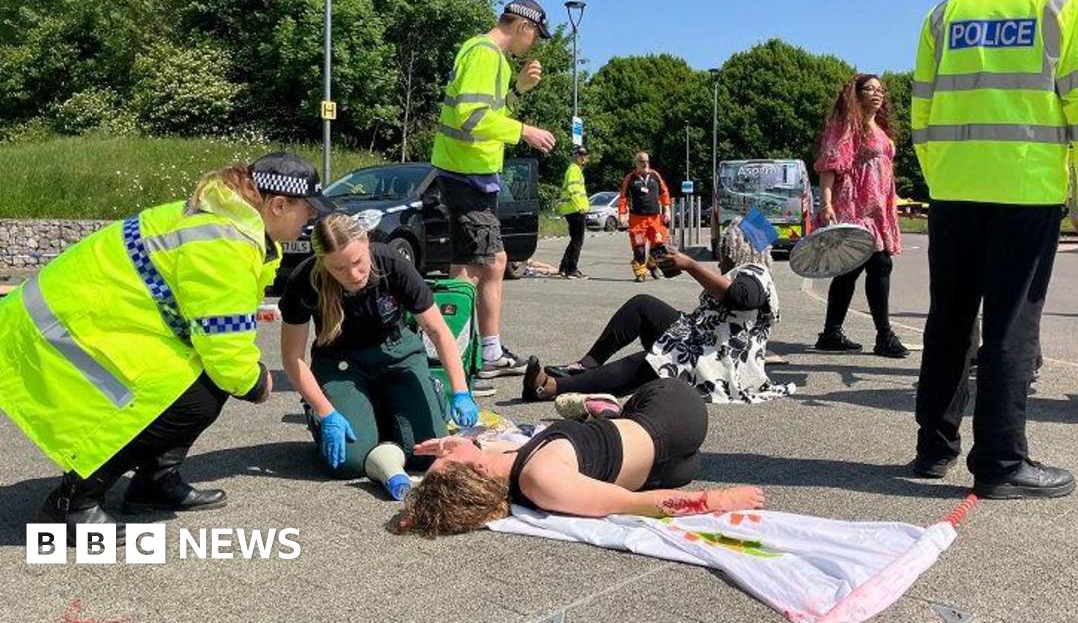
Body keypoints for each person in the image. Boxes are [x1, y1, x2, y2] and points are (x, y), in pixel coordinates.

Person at [0, 152, 329, 542]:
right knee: (190, 399)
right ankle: (72, 503)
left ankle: (153, 482)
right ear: (278, 205)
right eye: (307, 209)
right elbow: (224, 347)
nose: (311, 218)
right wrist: (256, 382)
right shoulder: (226, 241)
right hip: (60, 332)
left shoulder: (224, 220)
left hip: (80, 322)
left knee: (203, 387)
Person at [911, 0, 1078, 498]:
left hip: (953, 189)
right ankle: (1001, 462)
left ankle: (934, 448)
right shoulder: (1068, 8)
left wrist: (942, 176)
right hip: (1026, 190)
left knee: (949, 320)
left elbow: (921, 114)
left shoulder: (944, 14)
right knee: (1011, 326)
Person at [392, 378, 765, 537]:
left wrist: (424, 510)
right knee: (643, 335)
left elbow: (480, 454)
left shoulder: (505, 472)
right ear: (476, 468)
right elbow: (634, 504)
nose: (451, 446)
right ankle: (597, 404)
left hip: (666, 464)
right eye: (448, 457)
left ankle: (602, 411)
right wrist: (716, 500)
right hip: (675, 416)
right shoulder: (540, 478)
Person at [279, 213, 482, 492]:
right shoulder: (305, 281)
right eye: (339, 268)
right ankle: (354, 414)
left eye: (357, 262)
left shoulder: (392, 263)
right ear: (323, 262)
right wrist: (325, 412)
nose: (353, 275)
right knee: (348, 463)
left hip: (397, 355)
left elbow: (438, 331)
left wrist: (460, 391)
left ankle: (404, 405)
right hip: (341, 365)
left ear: (366, 241)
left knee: (427, 451)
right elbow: (292, 359)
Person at [525, 217, 788, 404]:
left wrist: (691, 266)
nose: (722, 258)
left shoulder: (756, 274)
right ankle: (585, 365)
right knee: (643, 306)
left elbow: (741, 298)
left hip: (720, 364)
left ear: (738, 249)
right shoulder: (747, 274)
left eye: (726, 250)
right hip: (704, 342)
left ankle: (553, 387)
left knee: (653, 360)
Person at [431, 0, 557, 380]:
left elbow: (491, 111)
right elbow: (472, 118)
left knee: (475, 264)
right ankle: (465, 358)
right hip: (467, 173)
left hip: (468, 172)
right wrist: (525, 131)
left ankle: (472, 353)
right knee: (484, 264)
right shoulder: (485, 54)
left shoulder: (489, 56)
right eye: (535, 34)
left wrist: (518, 89)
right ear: (523, 26)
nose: (533, 43)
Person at [813, 74, 909, 359]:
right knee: (878, 265)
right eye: (870, 89)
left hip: (877, 207)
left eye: (881, 90)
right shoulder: (846, 126)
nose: (877, 94)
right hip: (854, 206)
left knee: (851, 270)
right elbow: (829, 166)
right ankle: (884, 336)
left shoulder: (879, 128)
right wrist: (826, 204)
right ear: (856, 94)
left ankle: (831, 333)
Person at [618, 152, 672, 282]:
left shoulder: (655, 175)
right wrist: (622, 214)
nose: (645, 164)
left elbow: (664, 193)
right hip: (637, 219)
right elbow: (623, 197)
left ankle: (652, 265)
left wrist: (667, 210)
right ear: (636, 163)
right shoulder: (630, 178)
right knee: (639, 248)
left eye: (647, 161)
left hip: (655, 219)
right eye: (642, 161)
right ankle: (640, 272)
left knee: (659, 246)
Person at [557, 145, 590, 279]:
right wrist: (580, 207)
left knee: (574, 240)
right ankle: (571, 270)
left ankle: (564, 267)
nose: (583, 157)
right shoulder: (574, 169)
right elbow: (573, 190)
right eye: (581, 155)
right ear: (575, 156)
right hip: (575, 209)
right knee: (577, 241)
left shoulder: (576, 170)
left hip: (573, 209)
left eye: (585, 155)